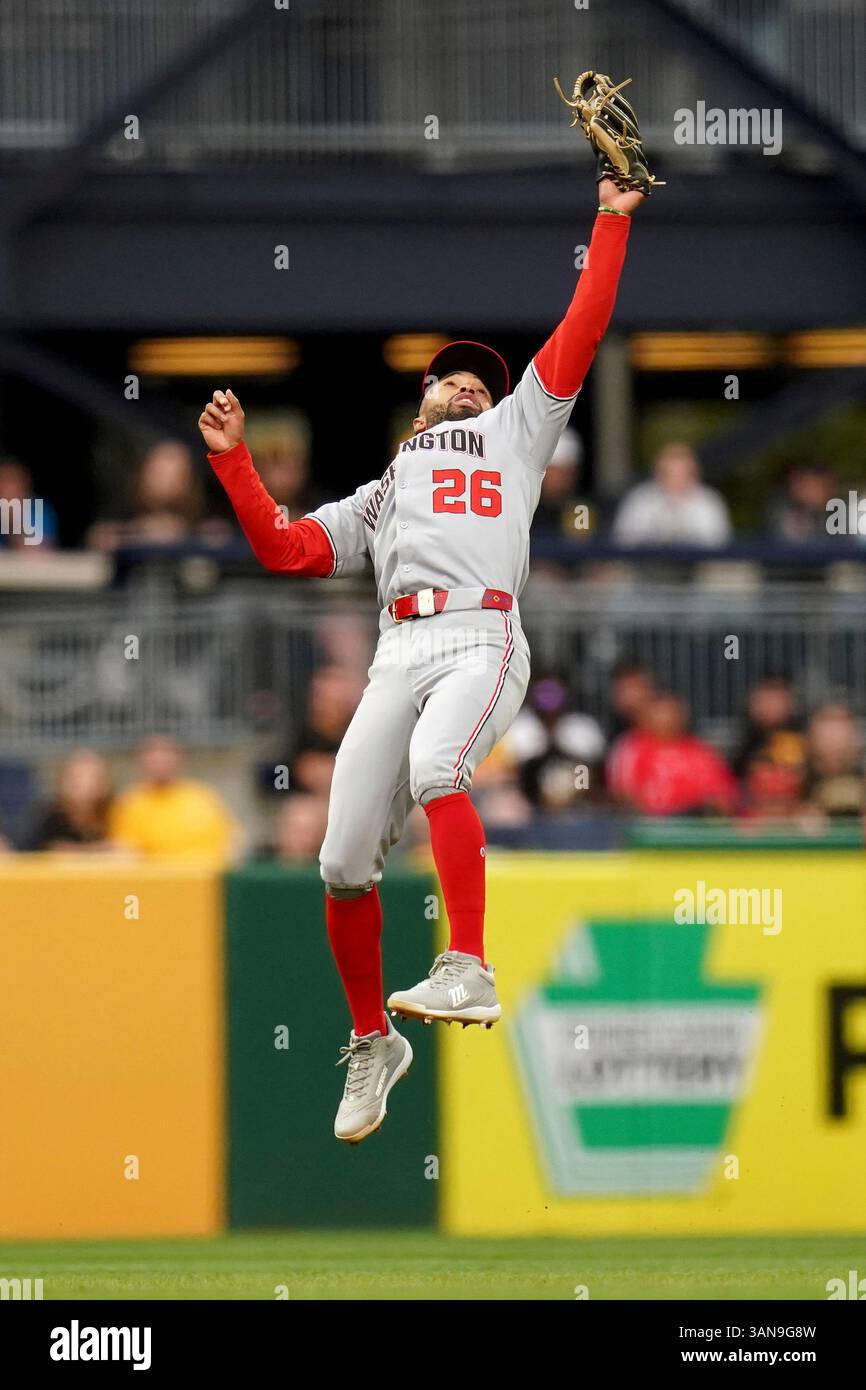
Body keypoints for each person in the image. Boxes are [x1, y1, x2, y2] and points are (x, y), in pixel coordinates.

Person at [200, 171, 640, 1144]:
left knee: (440, 765)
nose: (467, 387)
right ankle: (372, 1041)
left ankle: (468, 962)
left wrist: (608, 221)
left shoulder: (512, 433)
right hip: (399, 647)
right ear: (422, 396)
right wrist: (234, 461)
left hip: (481, 633)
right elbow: (284, 548)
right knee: (339, 856)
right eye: (452, 378)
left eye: (479, 380)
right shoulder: (387, 482)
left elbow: (580, 329)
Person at [607, 691, 739, 817]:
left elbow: (723, 795)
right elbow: (623, 794)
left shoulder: (701, 752)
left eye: (671, 712)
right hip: (646, 825)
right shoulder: (631, 748)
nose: (665, 718)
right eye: (658, 712)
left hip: (690, 825)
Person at [109, 735, 236, 863]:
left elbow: (231, 839)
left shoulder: (202, 796)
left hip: (205, 876)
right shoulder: (130, 803)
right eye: (154, 760)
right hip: (160, 878)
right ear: (141, 763)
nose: (161, 765)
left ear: (179, 760)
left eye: (166, 758)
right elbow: (125, 850)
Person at [612, 442, 732, 547]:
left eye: (684, 474)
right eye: (669, 474)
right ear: (657, 475)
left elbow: (718, 544)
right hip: (646, 567)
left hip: (698, 568)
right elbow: (624, 542)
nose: (677, 480)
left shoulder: (709, 501)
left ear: (695, 475)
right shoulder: (640, 499)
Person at [25, 749, 114, 851]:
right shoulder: (47, 815)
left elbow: (122, 849)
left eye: (91, 778)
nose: (84, 785)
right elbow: (36, 852)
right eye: (77, 778)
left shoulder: (114, 813)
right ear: (63, 781)